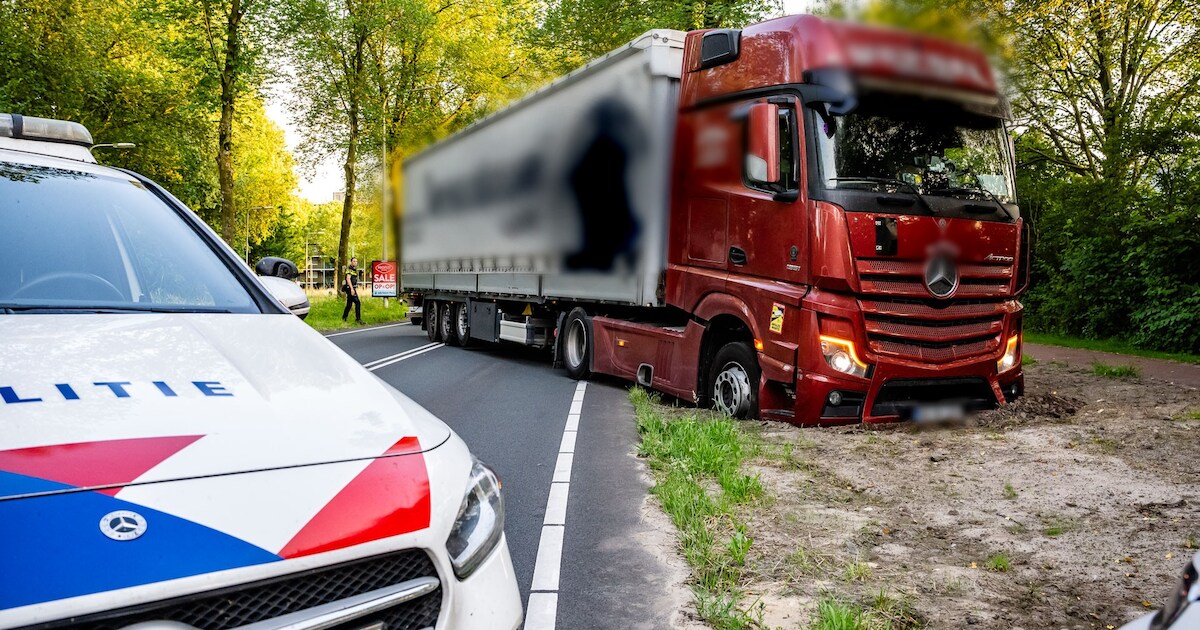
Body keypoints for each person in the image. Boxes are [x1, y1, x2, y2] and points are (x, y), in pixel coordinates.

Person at [342, 257, 362, 324]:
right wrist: (352, 289)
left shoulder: (354, 269)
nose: (355, 262)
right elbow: (348, 279)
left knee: (349, 304)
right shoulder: (349, 269)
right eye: (354, 261)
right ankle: (358, 319)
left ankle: (344, 318)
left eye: (356, 261)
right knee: (357, 302)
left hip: (351, 288)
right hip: (350, 288)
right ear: (351, 262)